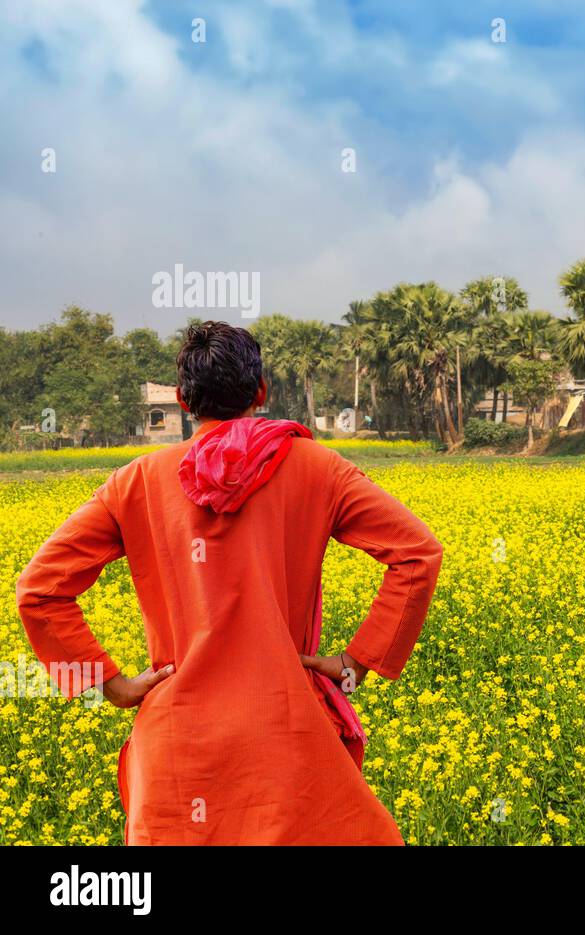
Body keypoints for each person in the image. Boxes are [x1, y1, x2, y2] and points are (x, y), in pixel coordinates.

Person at [15, 321, 443, 845]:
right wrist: (356, 664)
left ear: (181, 399)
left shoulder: (136, 483)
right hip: (286, 742)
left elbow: (39, 589)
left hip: (178, 748)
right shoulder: (317, 469)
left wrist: (112, 685)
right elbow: (418, 554)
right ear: (260, 392)